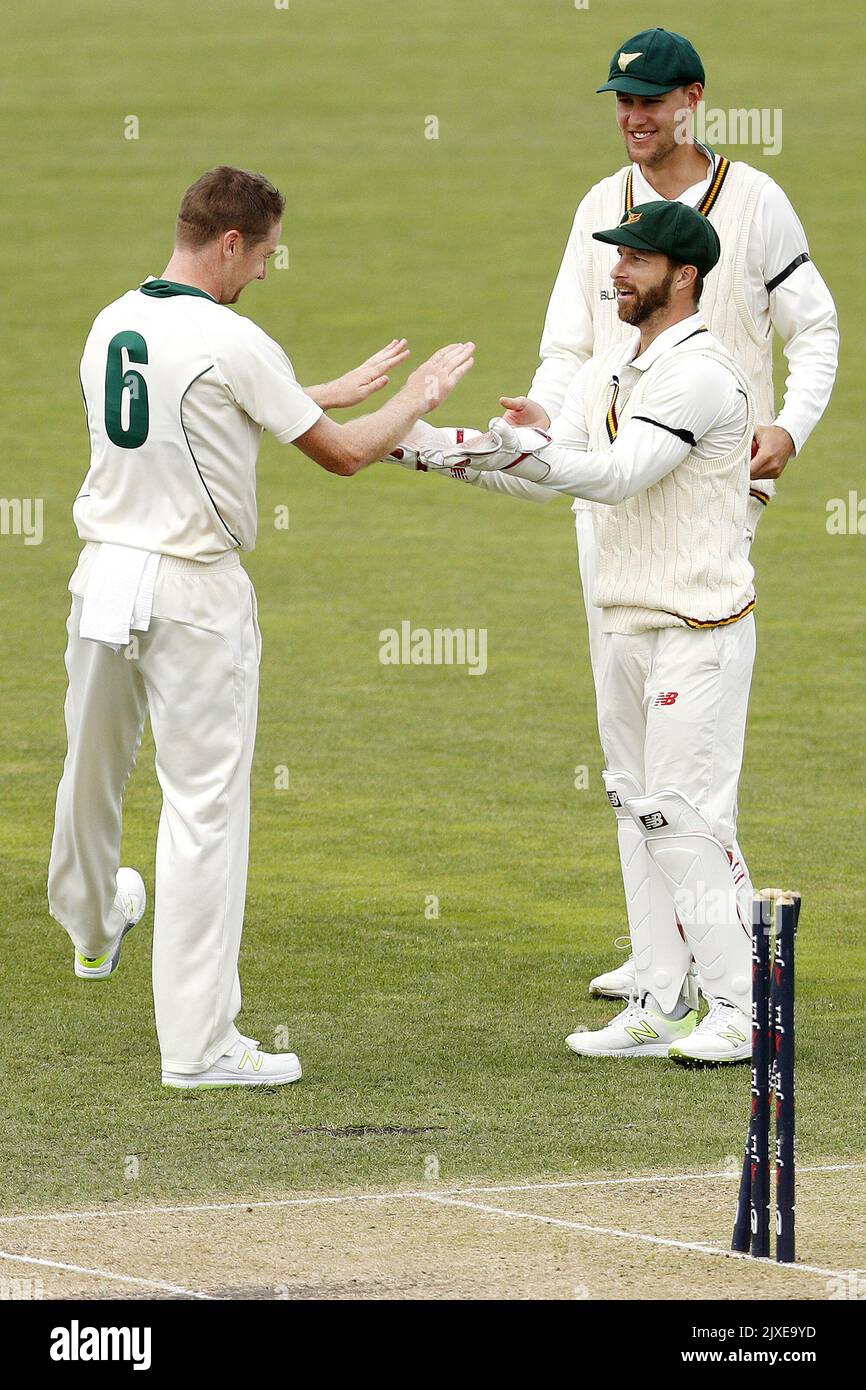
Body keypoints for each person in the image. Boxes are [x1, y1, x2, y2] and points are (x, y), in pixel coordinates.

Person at [48, 165, 474, 1090]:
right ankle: (199, 1050)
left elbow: (190, 404)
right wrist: (416, 399)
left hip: (101, 580)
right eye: (267, 253)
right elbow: (343, 457)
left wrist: (324, 386)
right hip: (193, 594)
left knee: (89, 773)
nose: (268, 272)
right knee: (203, 811)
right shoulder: (232, 337)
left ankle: (90, 925)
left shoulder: (114, 319)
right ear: (232, 241)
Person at [497, 27, 838, 1001]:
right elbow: (567, 346)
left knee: (685, 761)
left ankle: (721, 976)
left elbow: (810, 328)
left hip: (701, 496)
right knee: (628, 751)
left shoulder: (754, 203)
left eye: (649, 100)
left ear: (692, 96)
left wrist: (791, 426)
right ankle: (657, 965)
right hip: (605, 499)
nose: (633, 118)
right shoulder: (598, 209)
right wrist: (543, 431)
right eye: (620, 101)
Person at [390, 200, 761, 1064]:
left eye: (636, 259)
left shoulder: (701, 373)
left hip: (698, 624)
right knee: (637, 809)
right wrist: (419, 447)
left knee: (681, 814)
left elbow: (620, 475)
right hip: (626, 620)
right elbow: (552, 479)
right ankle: (661, 1002)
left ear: (685, 276)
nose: (618, 271)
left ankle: (742, 1011)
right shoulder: (608, 370)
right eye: (618, 255)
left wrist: (525, 451)